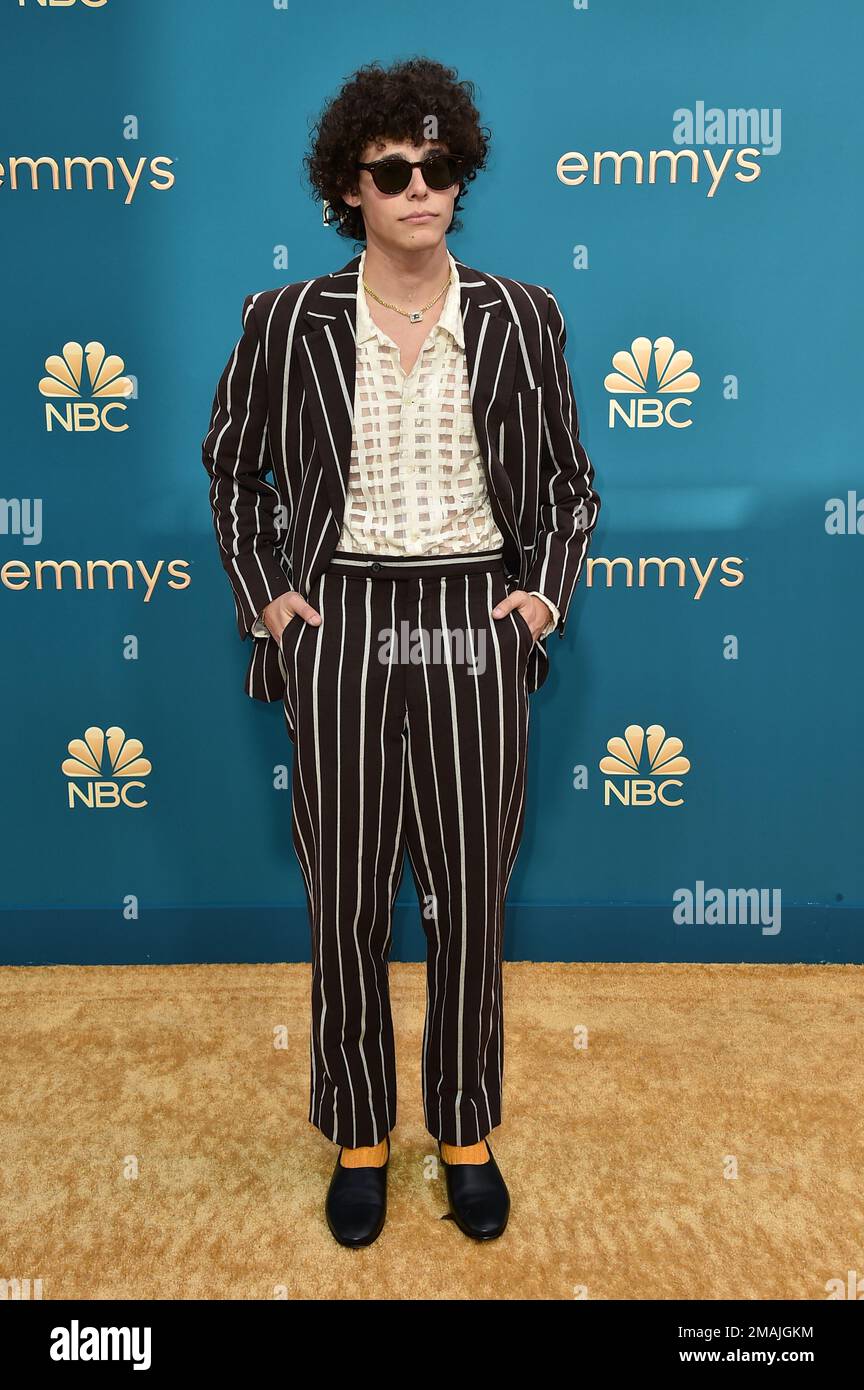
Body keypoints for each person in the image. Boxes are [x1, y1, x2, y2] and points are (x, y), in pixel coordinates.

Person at [201, 56, 600, 1248]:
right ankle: (361, 1132)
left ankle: (466, 1129)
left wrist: (539, 599)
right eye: (394, 172)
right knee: (348, 896)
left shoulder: (525, 316)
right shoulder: (284, 321)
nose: (420, 188)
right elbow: (233, 472)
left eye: (439, 168)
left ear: (459, 175)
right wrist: (270, 595)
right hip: (344, 623)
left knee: (472, 894)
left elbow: (571, 488)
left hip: (477, 612)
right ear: (350, 189)